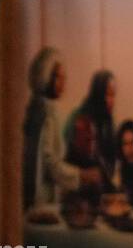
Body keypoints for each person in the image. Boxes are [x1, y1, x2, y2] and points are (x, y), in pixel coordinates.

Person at [21, 47, 100, 216]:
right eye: (59, 77)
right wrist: (82, 175)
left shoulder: (42, 108)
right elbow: (49, 163)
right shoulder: (45, 113)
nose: (64, 83)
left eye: (64, 77)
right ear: (46, 76)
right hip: (41, 200)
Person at [64, 69, 118, 195]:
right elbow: (65, 157)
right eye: (108, 95)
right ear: (98, 94)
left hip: (100, 190)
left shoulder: (108, 122)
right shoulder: (79, 118)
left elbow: (110, 160)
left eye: (114, 95)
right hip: (77, 189)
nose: (112, 101)